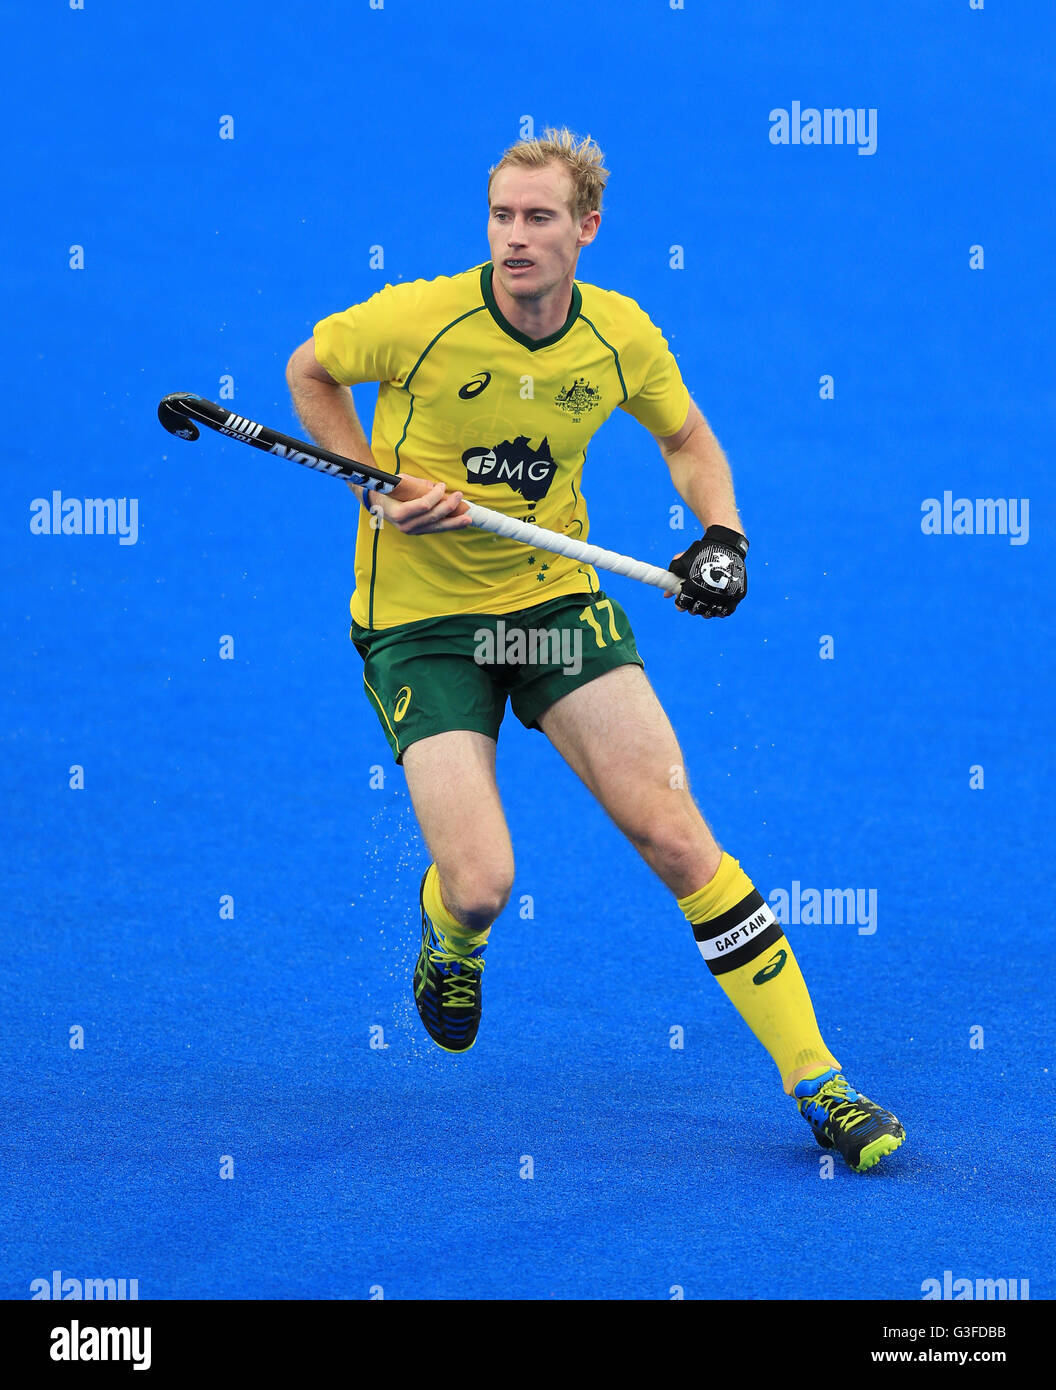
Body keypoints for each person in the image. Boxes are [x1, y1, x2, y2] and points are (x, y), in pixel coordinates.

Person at [285, 127, 904, 1172]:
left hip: (553, 603)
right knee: (481, 881)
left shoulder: (618, 337)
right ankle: (450, 937)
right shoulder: (418, 321)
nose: (514, 238)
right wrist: (375, 484)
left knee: (676, 834)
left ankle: (822, 1082)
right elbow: (311, 371)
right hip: (421, 627)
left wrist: (724, 539)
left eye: (537, 218)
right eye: (500, 216)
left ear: (587, 227)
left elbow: (688, 441)